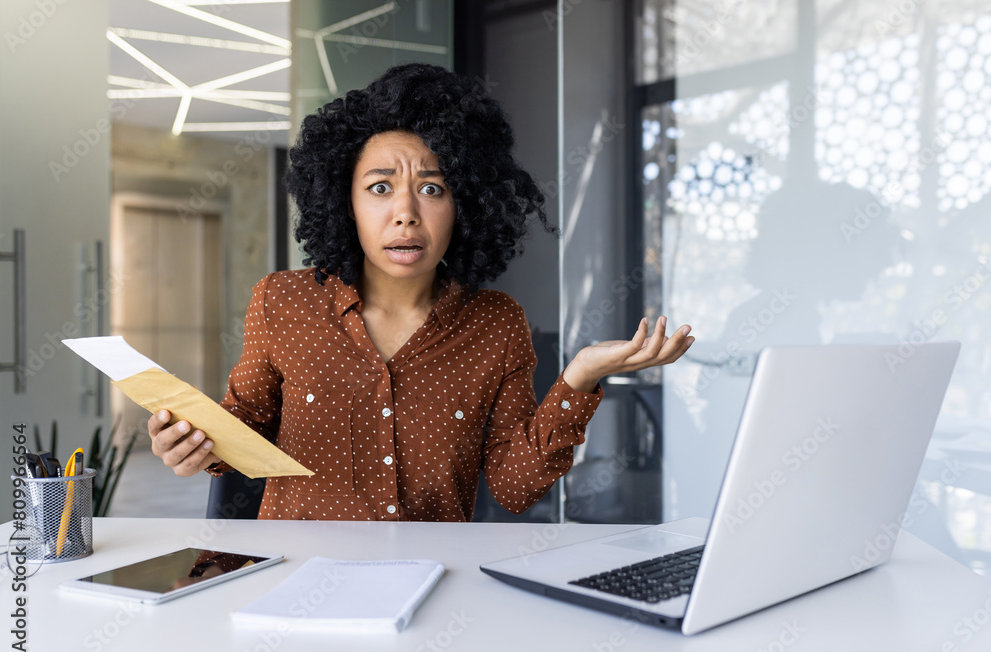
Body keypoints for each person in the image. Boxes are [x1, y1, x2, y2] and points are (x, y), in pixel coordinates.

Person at [148, 63, 694, 521]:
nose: (405, 213)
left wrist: (580, 377)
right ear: (346, 202)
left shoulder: (496, 325)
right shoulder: (282, 302)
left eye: (431, 188)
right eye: (380, 187)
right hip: (295, 578)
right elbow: (243, 428)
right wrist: (196, 444)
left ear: (463, 205)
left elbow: (515, 488)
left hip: (431, 589)